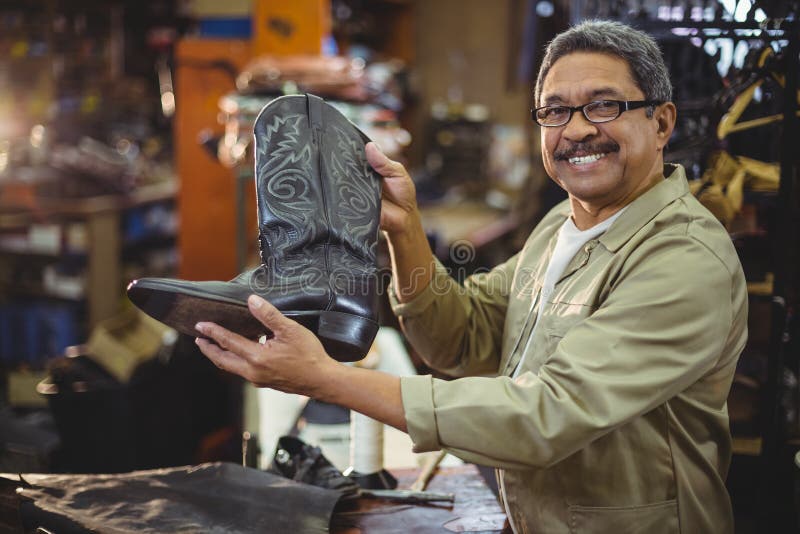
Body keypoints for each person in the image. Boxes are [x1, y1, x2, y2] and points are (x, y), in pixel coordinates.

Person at [194, 20, 747, 534]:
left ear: (661, 122)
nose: (576, 130)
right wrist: (404, 230)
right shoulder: (562, 224)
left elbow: (544, 417)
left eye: (604, 106)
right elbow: (460, 338)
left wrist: (327, 380)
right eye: (554, 111)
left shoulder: (684, 258)